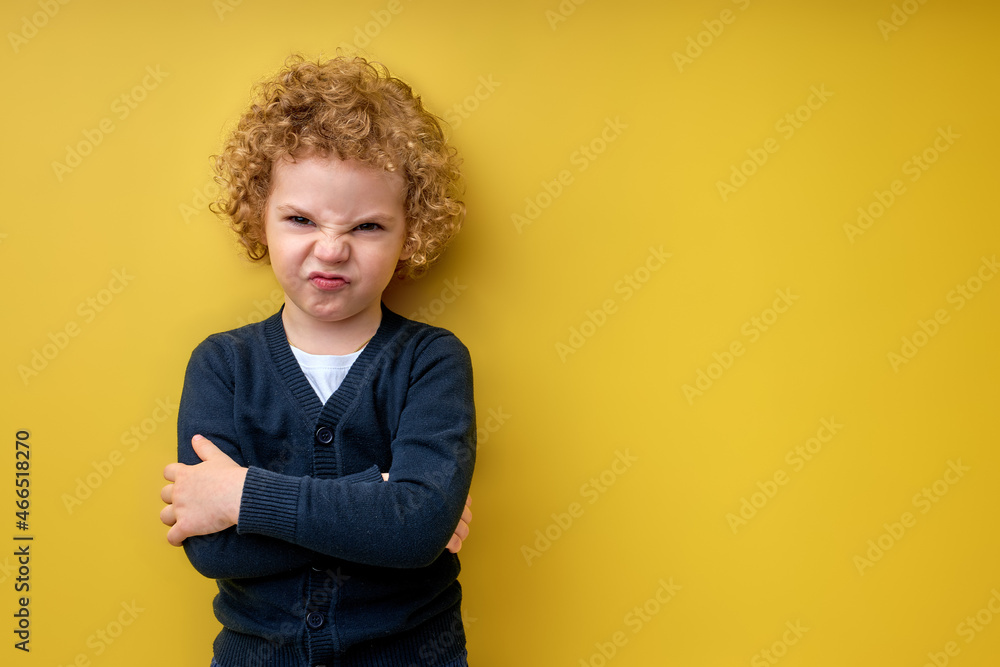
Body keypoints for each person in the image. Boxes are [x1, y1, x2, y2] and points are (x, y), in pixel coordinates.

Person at [158, 53, 476, 667]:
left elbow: (415, 532)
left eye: (367, 227)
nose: (331, 249)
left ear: (411, 233)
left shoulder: (432, 361)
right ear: (260, 216)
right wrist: (382, 506)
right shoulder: (223, 364)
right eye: (301, 218)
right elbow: (213, 552)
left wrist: (241, 497)